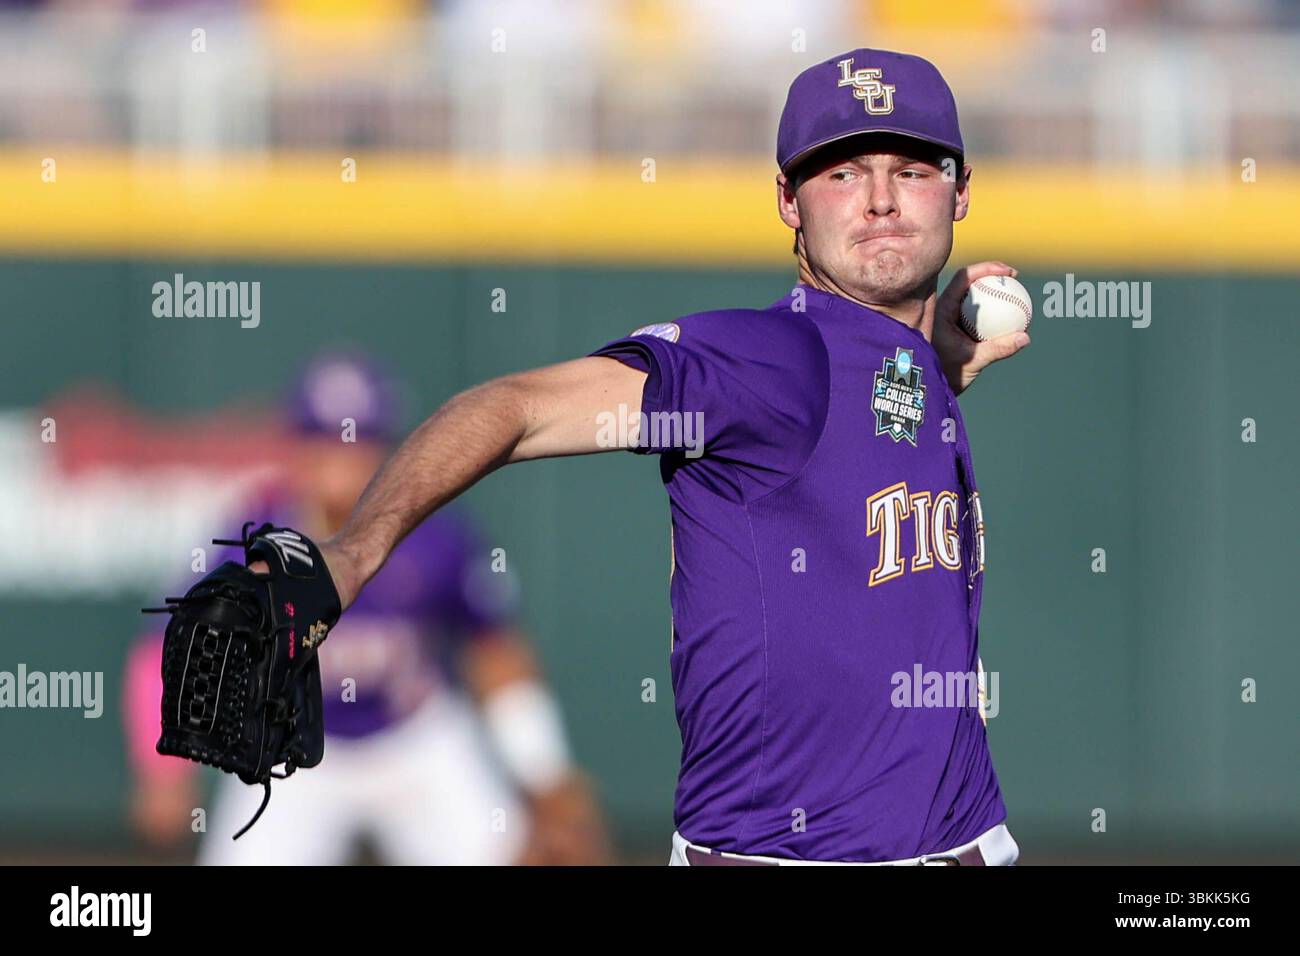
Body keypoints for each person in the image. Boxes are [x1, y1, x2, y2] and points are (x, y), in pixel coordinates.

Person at [285, 49, 1032, 865]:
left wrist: (937, 371)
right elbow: (513, 411)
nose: (881, 200)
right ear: (788, 201)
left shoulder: (908, 366)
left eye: (912, 169)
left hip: (971, 844)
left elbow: (852, 437)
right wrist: (357, 550)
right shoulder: (765, 359)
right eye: (844, 174)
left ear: (962, 189)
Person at [126, 353, 607, 865]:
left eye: (356, 441)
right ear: (295, 448)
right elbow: (176, 643)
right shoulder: (253, 535)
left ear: (387, 449)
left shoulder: (435, 535)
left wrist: (544, 771)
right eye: (322, 440)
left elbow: (493, 652)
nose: (339, 458)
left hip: (415, 740)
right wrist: (164, 769)